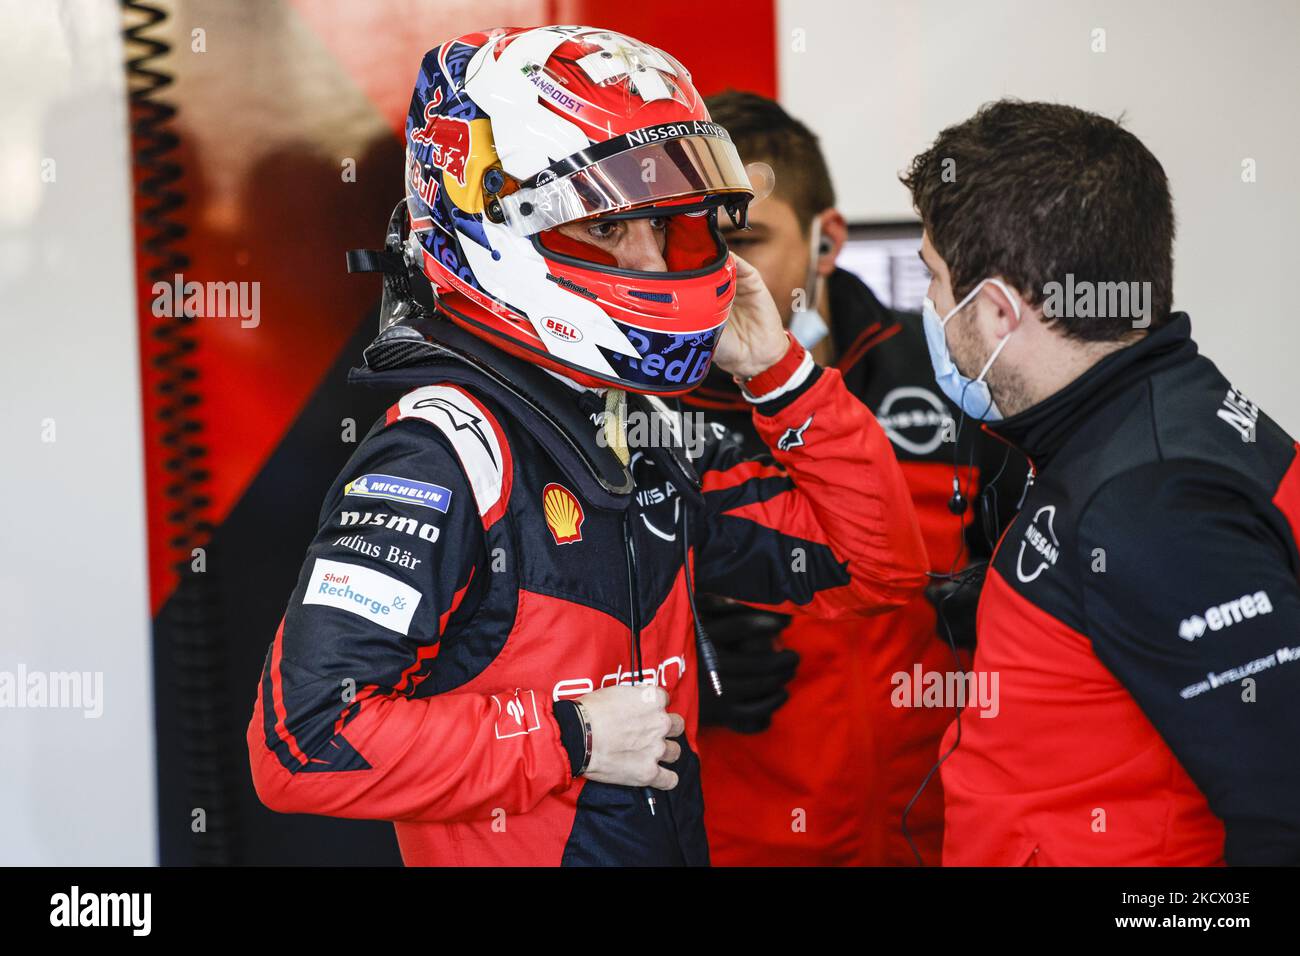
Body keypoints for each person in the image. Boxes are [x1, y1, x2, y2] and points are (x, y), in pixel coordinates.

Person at [245, 25, 929, 866]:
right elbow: (303, 742)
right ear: (496, 227)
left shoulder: (641, 427)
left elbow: (880, 569)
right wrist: (565, 738)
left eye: (664, 222)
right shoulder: (441, 457)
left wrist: (780, 374)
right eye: (608, 228)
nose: (649, 259)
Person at [902, 99, 1300, 866]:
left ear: (995, 310)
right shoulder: (1123, 428)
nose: (929, 307)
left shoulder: (1150, 504)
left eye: (935, 279)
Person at [685, 92, 1022, 866]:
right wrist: (683, 668)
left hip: (950, 835)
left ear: (826, 239)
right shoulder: (638, 415)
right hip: (745, 845)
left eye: (745, 240)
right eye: (689, 244)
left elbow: (1063, 587)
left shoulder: (955, 374)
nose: (715, 273)